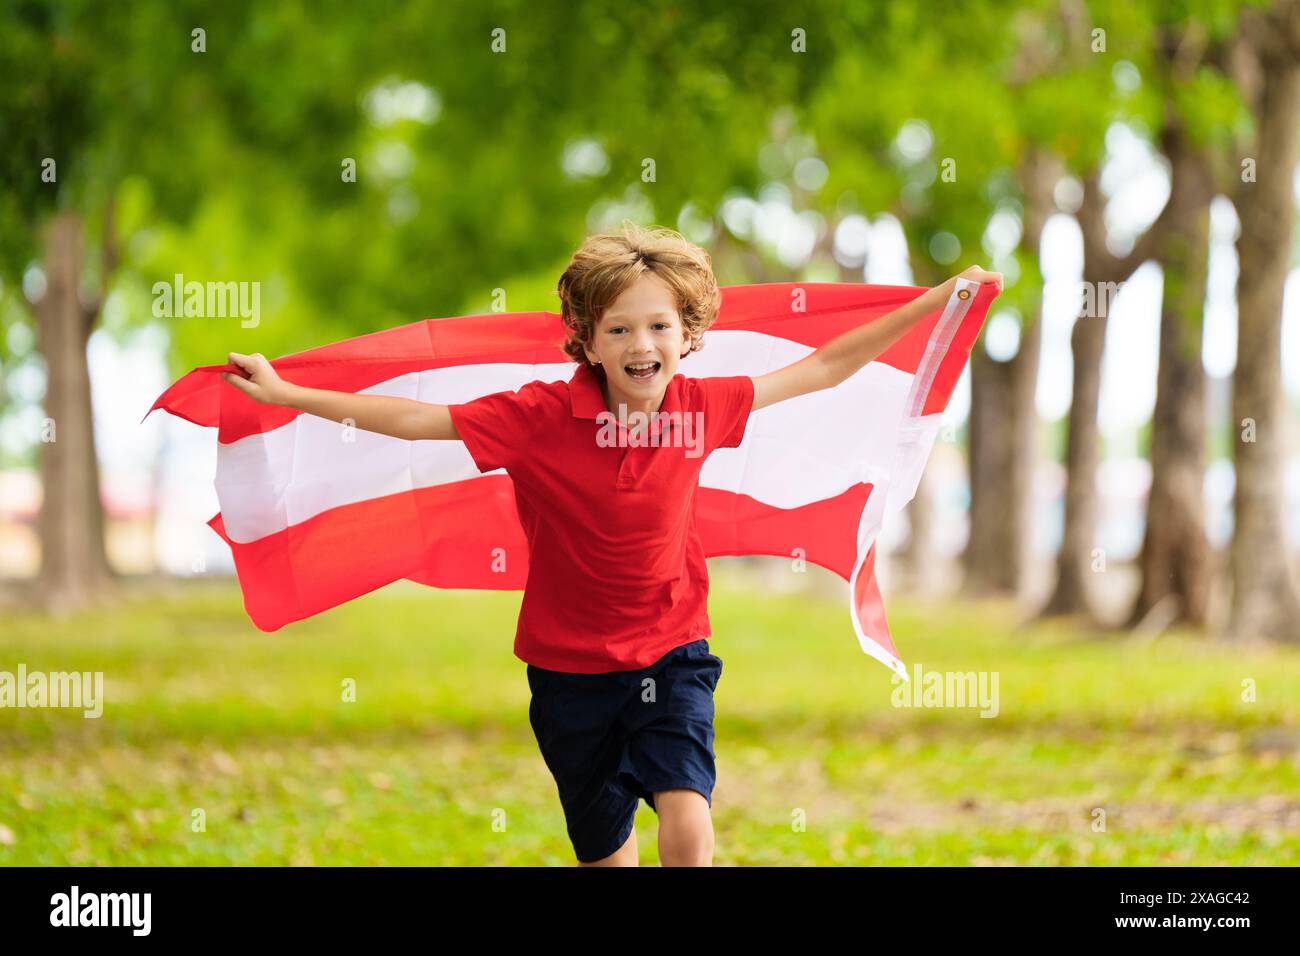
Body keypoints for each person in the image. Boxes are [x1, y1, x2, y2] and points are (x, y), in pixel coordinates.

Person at [221, 222, 1001, 866]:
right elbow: (413, 420)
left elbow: (826, 366)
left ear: (688, 338)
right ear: (588, 343)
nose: (642, 343)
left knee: (688, 819)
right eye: (620, 328)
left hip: (672, 654)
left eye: (660, 326)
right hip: (568, 676)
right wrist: (286, 394)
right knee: (607, 855)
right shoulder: (533, 418)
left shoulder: (701, 408)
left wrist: (933, 303)